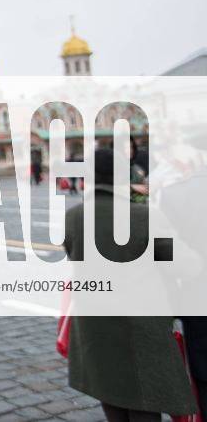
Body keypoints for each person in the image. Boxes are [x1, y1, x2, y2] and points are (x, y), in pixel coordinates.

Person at [65, 147, 197, 421]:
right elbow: (187, 265)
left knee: (112, 397)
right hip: (140, 334)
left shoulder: (74, 216)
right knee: (143, 407)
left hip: (96, 328)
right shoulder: (143, 217)